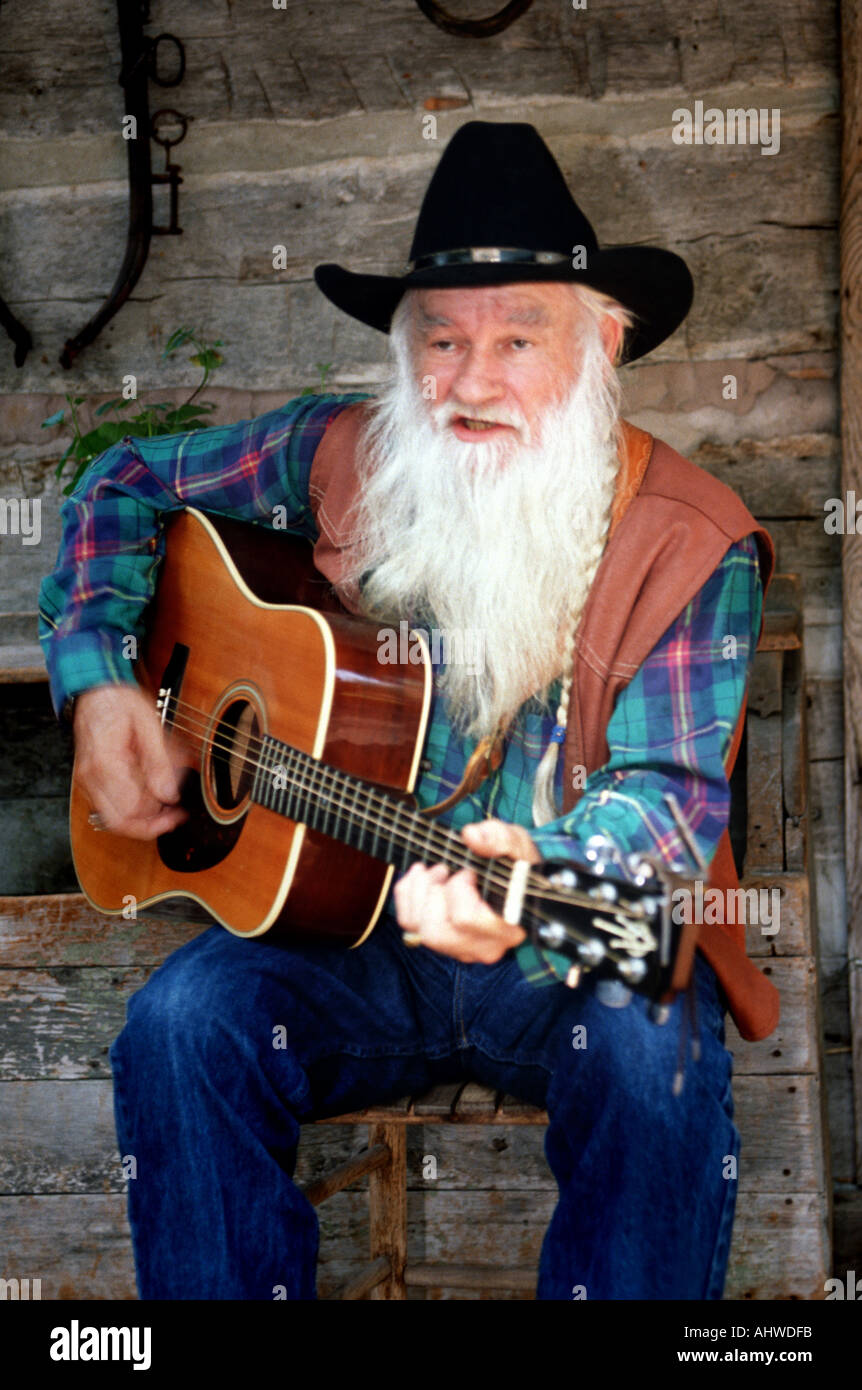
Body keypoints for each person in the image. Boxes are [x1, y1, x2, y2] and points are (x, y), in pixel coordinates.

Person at [38, 121, 779, 1300]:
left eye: (517, 339)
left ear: (603, 343)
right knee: (179, 1027)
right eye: (439, 339)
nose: (470, 381)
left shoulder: (689, 540)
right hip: (347, 937)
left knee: (651, 1051)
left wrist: (536, 874)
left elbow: (667, 802)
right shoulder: (345, 453)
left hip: (560, 941)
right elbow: (119, 486)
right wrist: (97, 683)